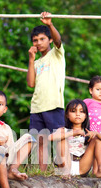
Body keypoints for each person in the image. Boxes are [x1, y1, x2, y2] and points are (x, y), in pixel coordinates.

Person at [27, 11, 66, 172]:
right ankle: (41, 174)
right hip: (37, 107)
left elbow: (58, 40)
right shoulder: (36, 62)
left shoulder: (56, 54)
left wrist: (50, 24)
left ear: (49, 40)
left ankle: (64, 171)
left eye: (42, 39)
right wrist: (30, 59)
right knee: (39, 141)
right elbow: (30, 83)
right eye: (35, 40)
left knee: (59, 138)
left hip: (53, 104)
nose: (38, 43)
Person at [48, 99, 101, 178]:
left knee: (97, 139)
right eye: (73, 111)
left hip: (82, 167)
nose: (77, 114)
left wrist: (97, 134)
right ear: (67, 115)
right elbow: (50, 137)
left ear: (86, 116)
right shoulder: (63, 130)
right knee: (62, 138)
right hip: (63, 165)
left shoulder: (88, 132)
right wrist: (72, 133)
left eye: (81, 111)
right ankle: (65, 171)